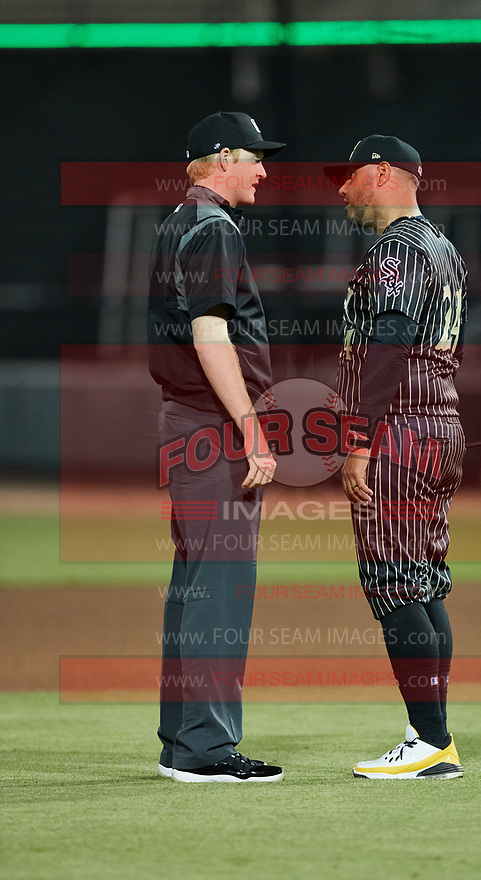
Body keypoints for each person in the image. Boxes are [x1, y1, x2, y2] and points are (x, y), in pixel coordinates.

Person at [148, 111, 285, 782]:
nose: (263, 169)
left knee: (194, 584)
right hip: (212, 428)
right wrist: (252, 431)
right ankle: (206, 749)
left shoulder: (178, 220)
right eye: (254, 156)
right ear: (219, 157)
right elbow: (210, 337)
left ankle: (183, 741)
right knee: (219, 590)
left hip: (186, 422)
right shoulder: (214, 229)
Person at [324, 135, 467, 779]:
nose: (342, 188)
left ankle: (429, 740)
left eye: (349, 176)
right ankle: (436, 735)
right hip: (437, 421)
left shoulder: (396, 253)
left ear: (382, 173)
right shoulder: (439, 245)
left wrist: (356, 440)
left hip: (400, 430)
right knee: (424, 579)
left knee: (394, 581)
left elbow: (387, 350)